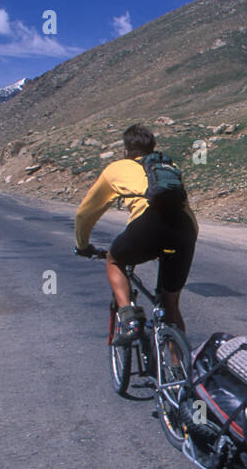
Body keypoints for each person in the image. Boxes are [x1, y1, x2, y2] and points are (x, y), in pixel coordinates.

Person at [74, 124, 197, 340]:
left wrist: (82, 245)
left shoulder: (116, 168)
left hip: (149, 224)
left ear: (125, 151)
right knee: (170, 304)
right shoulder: (169, 167)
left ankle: (131, 320)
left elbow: (85, 214)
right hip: (185, 230)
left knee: (114, 259)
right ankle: (180, 369)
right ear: (152, 148)